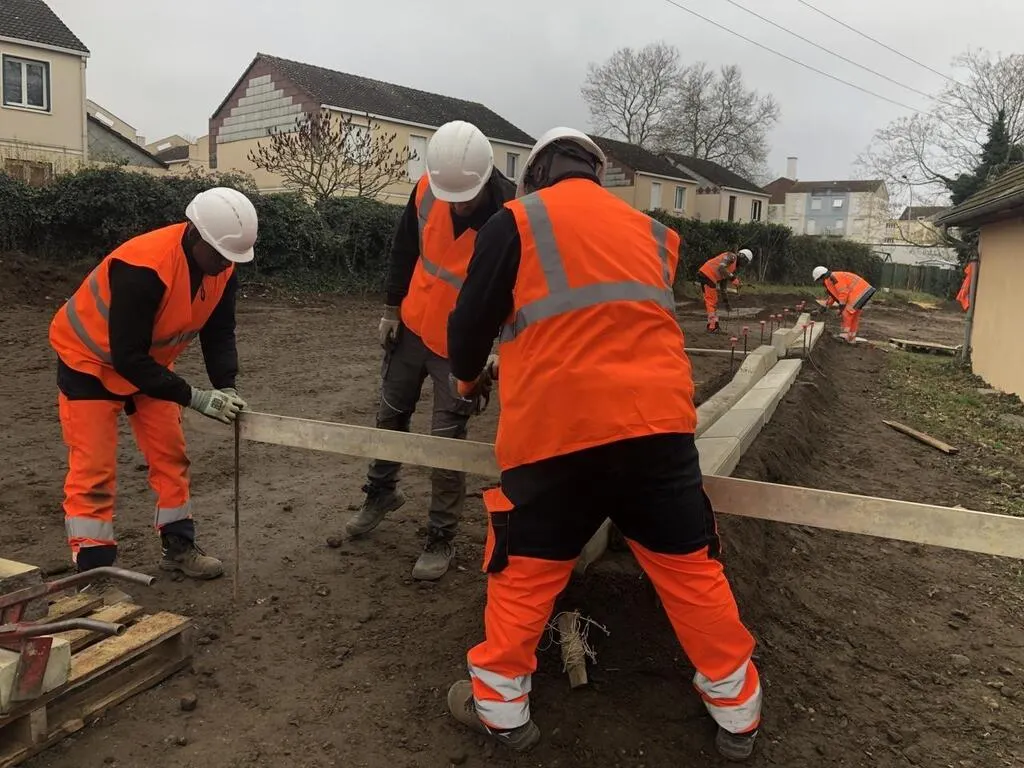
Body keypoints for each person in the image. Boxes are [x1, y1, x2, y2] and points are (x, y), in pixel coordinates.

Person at [443, 127, 763, 762]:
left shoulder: (514, 222)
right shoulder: (653, 234)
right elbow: (614, 318)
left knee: (526, 571)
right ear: (596, 172)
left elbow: (468, 329)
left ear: (534, 177)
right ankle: (739, 711)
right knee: (689, 568)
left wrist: (467, 378)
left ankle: (502, 711)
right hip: (658, 427)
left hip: (557, 433)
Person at [48, 187, 256, 579]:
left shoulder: (222, 268)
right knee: (92, 472)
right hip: (90, 363)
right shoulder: (144, 267)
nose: (226, 264)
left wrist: (225, 385)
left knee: (171, 456)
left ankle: (179, 547)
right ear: (196, 233)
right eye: (220, 255)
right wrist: (194, 397)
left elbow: (220, 330)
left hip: (149, 366)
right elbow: (126, 356)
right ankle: (94, 576)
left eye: (232, 258)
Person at [345, 120, 516, 581]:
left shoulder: (516, 213)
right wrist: (390, 309)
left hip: (463, 347)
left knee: (446, 443)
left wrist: (504, 345)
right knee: (389, 415)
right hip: (415, 325)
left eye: (465, 197)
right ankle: (380, 492)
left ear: (485, 179)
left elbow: (523, 288)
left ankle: (440, 534)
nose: (456, 204)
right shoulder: (427, 188)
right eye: (449, 195)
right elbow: (404, 250)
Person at [811, 265, 876, 343]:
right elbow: (833, 296)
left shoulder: (833, 277)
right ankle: (851, 338)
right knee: (854, 315)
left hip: (858, 292)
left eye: (818, 280)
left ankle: (844, 336)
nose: (819, 282)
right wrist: (825, 307)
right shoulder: (830, 280)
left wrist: (842, 306)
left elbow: (843, 291)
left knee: (846, 312)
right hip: (864, 291)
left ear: (822, 276)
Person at [698, 249, 751, 332]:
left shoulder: (731, 268)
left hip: (708, 276)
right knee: (711, 301)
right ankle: (712, 326)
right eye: (745, 262)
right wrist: (734, 279)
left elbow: (723, 287)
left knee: (712, 300)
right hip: (707, 274)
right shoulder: (732, 256)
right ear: (742, 257)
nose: (744, 265)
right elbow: (721, 268)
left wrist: (726, 302)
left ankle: (713, 324)